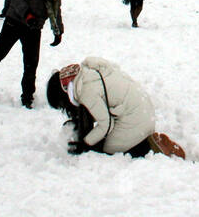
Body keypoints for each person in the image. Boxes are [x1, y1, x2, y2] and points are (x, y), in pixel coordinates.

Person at [45, 58, 186, 158]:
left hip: (135, 120)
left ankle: (150, 148)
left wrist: (85, 144)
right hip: (143, 113)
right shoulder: (87, 74)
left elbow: (106, 124)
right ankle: (148, 140)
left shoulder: (86, 91)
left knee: (106, 150)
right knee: (101, 139)